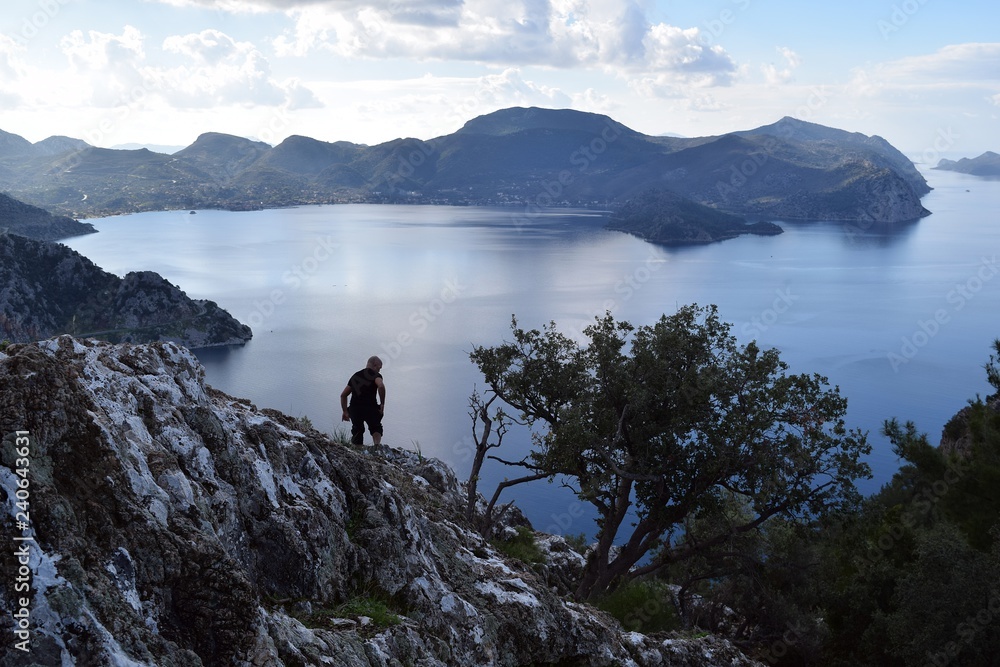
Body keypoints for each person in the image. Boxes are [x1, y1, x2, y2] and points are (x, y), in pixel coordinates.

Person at [340, 356, 385, 446]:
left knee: (357, 429)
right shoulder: (375, 375)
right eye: (379, 368)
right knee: (376, 427)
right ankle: (377, 447)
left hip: (355, 408)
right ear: (375, 364)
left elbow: (343, 395)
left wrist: (345, 411)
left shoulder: (355, 376)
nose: (379, 371)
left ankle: (357, 450)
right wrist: (382, 404)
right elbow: (381, 386)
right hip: (370, 407)